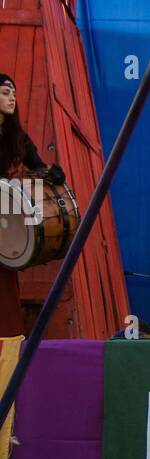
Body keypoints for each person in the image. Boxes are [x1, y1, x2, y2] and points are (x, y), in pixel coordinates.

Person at [0, 73, 65, 337]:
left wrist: (53, 173)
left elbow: (38, 167)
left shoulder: (16, 136)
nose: (12, 97)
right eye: (5, 92)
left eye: (14, 92)